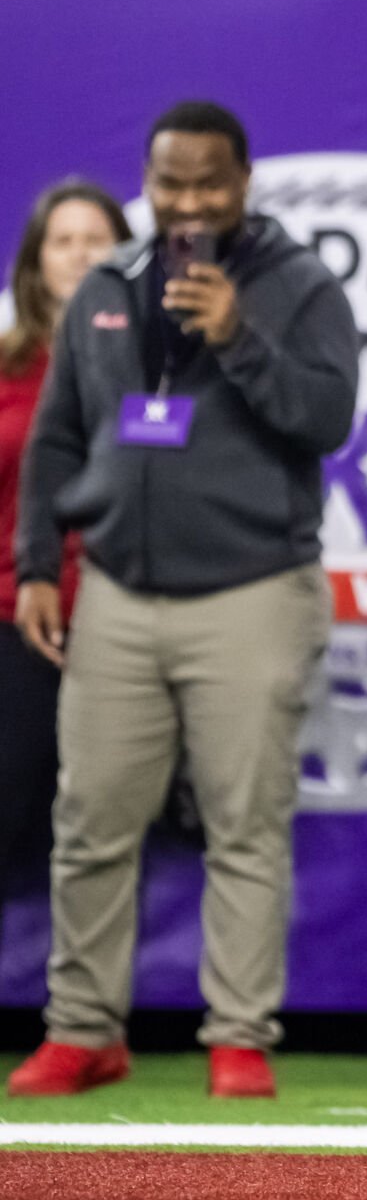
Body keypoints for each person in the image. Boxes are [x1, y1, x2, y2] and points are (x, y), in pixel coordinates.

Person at [6, 101, 359, 1100]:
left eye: (209, 183)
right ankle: (83, 1029)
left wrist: (238, 336)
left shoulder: (299, 284)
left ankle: (238, 1035)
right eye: (172, 183)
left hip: (252, 590)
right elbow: (58, 437)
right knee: (90, 820)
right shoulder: (108, 286)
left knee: (245, 823)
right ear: (149, 182)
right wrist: (39, 565)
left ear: (243, 180)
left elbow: (326, 417)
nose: (190, 202)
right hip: (117, 592)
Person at [0, 183, 131, 933]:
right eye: (63, 240)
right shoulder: (6, 367)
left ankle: (89, 999)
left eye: (96, 239)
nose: (80, 254)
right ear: (35, 261)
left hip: (125, 620)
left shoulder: (159, 364)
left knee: (103, 825)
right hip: (14, 618)